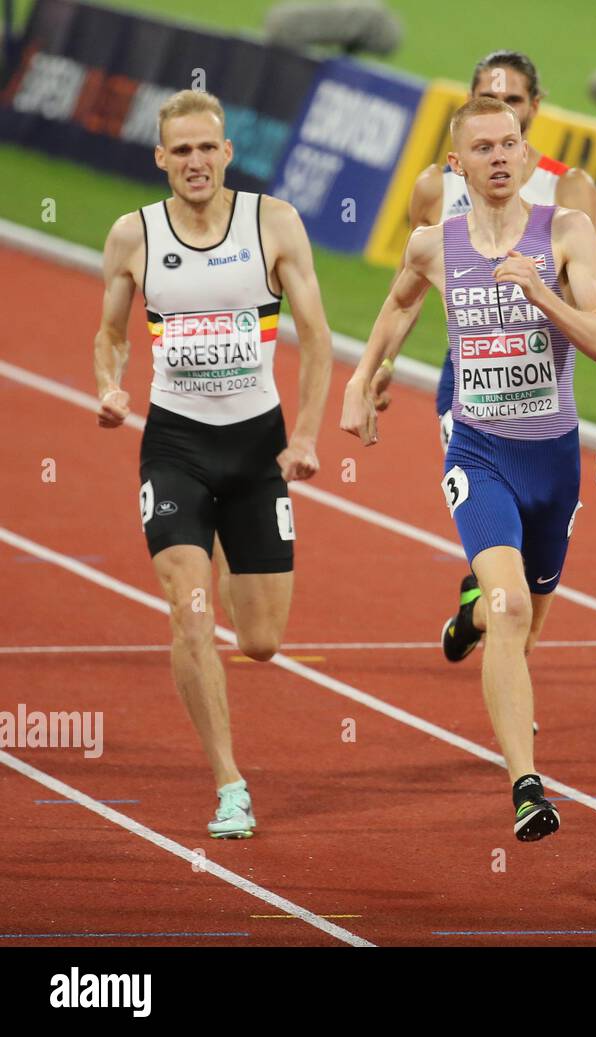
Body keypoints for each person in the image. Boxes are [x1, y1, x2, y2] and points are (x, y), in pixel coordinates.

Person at [340, 97, 596, 841]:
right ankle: (527, 786)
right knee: (511, 607)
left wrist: (540, 292)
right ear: (457, 164)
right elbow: (399, 305)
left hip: (553, 462)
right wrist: (362, 378)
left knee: (524, 625)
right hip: (479, 452)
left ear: (527, 154)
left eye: (510, 144)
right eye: (484, 147)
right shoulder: (436, 244)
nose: (499, 157)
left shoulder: (567, 232)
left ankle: (469, 621)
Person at [93, 89, 333, 838]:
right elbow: (111, 333)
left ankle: (225, 547)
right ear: (160, 158)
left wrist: (305, 438)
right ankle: (230, 783)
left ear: (227, 153)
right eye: (181, 150)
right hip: (176, 448)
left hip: (257, 448)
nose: (195, 161)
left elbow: (317, 338)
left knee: (260, 641)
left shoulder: (274, 223)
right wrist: (109, 384)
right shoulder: (133, 235)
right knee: (191, 612)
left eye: (207, 148)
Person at [365, 50, 596, 451]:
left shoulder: (569, 189)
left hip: (541, 377)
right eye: (487, 98)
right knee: (472, 475)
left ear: (534, 105)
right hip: (467, 371)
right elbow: (407, 293)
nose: (499, 107)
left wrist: (550, 307)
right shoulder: (436, 186)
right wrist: (385, 361)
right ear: (469, 102)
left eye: (512, 100)